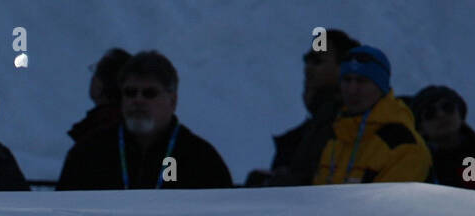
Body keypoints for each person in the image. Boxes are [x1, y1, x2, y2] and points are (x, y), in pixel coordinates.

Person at [55, 51, 232, 190]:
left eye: (149, 93)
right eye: (130, 92)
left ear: (173, 100)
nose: (138, 100)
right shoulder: (89, 154)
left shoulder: (200, 159)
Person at [246, 28, 359, 186]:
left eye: (317, 61)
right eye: (307, 60)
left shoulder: (344, 125)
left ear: (344, 68)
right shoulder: (317, 126)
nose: (308, 68)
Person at [311, 45, 431, 185]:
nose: (352, 89)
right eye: (347, 80)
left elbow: (388, 205)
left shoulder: (403, 145)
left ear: (381, 86)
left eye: (362, 81)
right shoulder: (338, 136)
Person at [411, 85, 475, 189]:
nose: (441, 115)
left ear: (460, 113)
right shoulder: (415, 168)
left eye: (447, 107)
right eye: (430, 113)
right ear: (420, 129)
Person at [64, 47, 131, 147]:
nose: (92, 78)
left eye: (95, 72)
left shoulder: (96, 132)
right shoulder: (136, 128)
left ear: (101, 85)